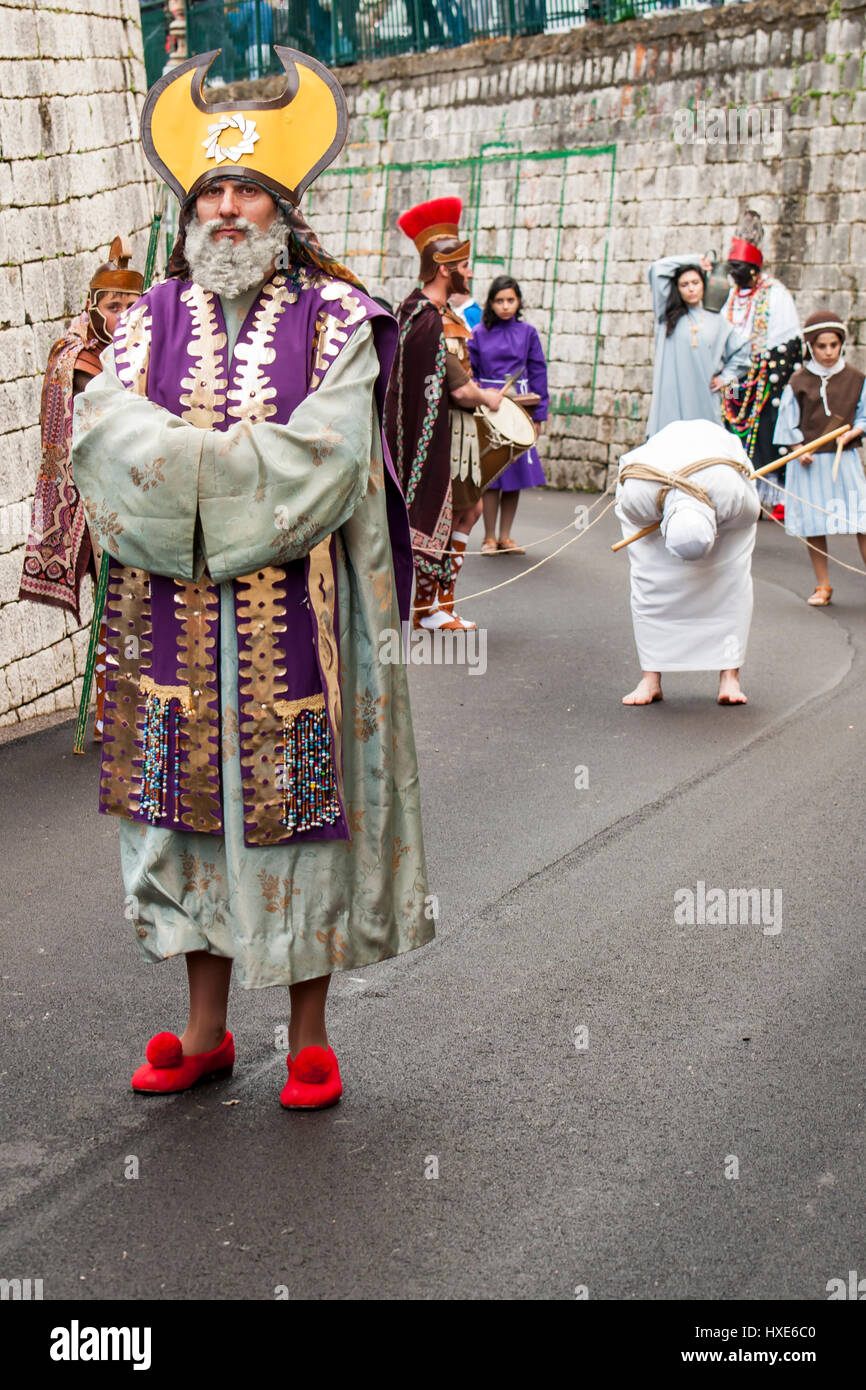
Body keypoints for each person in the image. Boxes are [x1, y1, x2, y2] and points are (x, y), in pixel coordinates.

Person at [71, 46, 432, 1109]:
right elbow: (103, 446)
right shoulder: (140, 322)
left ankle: (309, 1030)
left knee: (297, 814)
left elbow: (320, 465)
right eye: (211, 190)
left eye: (248, 192)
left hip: (295, 631)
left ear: (282, 212)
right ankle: (204, 1027)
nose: (227, 208)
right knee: (181, 820)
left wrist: (177, 473)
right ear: (190, 211)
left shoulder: (339, 323)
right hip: (167, 629)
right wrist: (228, 473)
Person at [19, 239, 143, 739]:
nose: (123, 314)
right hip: (92, 504)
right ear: (93, 309)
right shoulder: (76, 357)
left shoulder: (139, 350)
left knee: (138, 604)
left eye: (133, 306)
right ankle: (112, 707)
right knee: (118, 603)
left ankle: (131, 702)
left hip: (141, 495)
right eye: (114, 306)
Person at [385, 196, 503, 630]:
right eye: (464, 264)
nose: (470, 272)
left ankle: (441, 604)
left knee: (465, 514)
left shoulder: (444, 314)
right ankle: (426, 608)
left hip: (456, 434)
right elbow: (455, 386)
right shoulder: (425, 316)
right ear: (443, 267)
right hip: (440, 436)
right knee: (447, 513)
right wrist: (487, 398)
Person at [615, 419, 760, 707]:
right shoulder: (638, 496)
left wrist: (720, 538)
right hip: (658, 479)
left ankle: (730, 678)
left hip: (715, 459)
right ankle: (650, 679)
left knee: (731, 581)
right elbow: (626, 515)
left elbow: (750, 514)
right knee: (649, 583)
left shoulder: (731, 494)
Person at [772, 310, 866, 606]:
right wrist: (799, 448)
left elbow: (864, 414)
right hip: (809, 463)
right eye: (821, 346)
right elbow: (788, 422)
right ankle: (823, 585)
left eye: (833, 345)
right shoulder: (799, 380)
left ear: (841, 344)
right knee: (814, 524)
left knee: (861, 521)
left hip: (844, 460)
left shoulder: (855, 378)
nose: (828, 352)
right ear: (811, 346)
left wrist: (852, 433)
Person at [720, 210, 802, 516]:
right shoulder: (732, 298)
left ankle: (771, 494)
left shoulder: (775, 294)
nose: (737, 275)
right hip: (734, 380)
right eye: (733, 269)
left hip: (764, 381)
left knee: (766, 432)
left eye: (742, 269)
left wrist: (762, 370)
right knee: (732, 431)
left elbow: (788, 343)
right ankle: (734, 490)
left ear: (755, 270)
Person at [468, 275, 549, 555]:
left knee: (515, 474)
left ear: (518, 302)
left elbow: (538, 370)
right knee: (493, 473)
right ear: (491, 303)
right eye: (499, 300)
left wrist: (539, 415)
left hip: (521, 405)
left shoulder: (528, 333)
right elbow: (471, 373)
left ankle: (506, 536)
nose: (505, 306)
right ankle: (488, 537)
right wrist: (479, 398)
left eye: (510, 300)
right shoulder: (478, 333)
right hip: (490, 406)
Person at [646, 251, 750, 437]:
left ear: (704, 285)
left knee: (705, 452)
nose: (691, 289)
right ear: (677, 289)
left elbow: (743, 352)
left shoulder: (718, 321)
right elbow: (658, 269)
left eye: (695, 283)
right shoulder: (666, 318)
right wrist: (695, 260)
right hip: (669, 404)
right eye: (684, 285)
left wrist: (725, 378)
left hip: (704, 402)